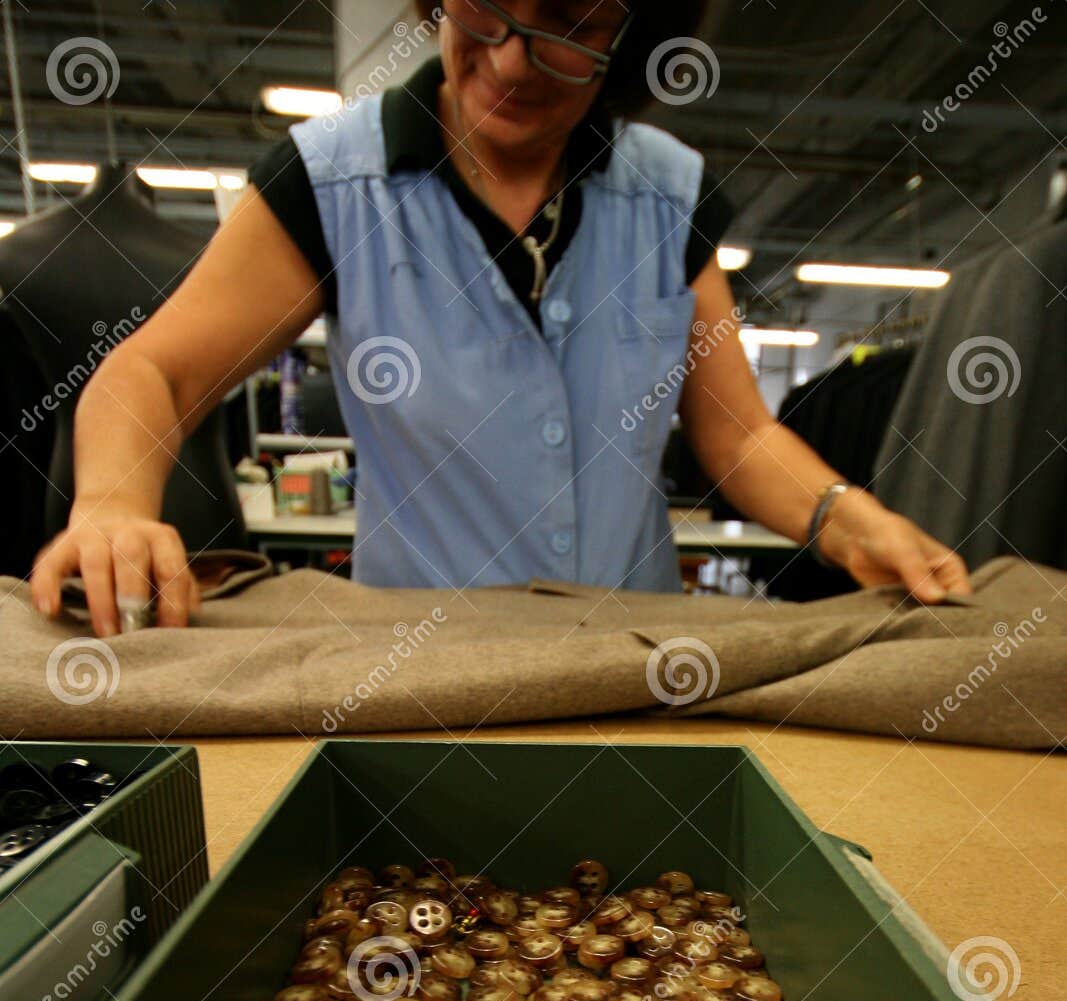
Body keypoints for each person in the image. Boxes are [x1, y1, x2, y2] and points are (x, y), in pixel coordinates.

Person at [30, 0, 970, 636]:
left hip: (631, 663)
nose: (511, 59)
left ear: (633, 33)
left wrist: (851, 523)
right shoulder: (335, 187)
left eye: (567, 26)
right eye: (484, 10)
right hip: (416, 672)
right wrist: (111, 505)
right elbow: (151, 373)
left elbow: (737, 436)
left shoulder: (666, 197)